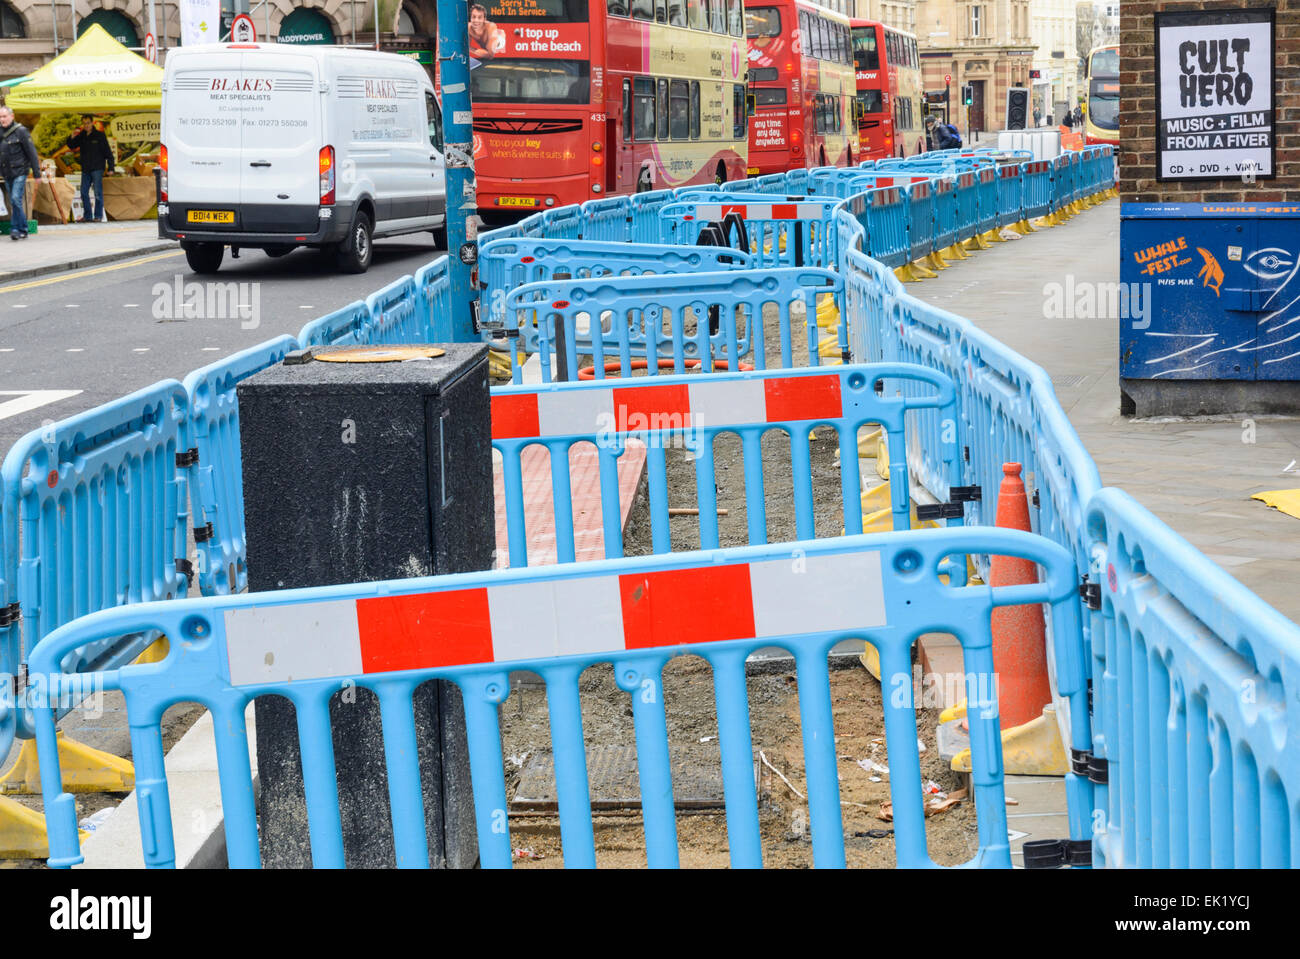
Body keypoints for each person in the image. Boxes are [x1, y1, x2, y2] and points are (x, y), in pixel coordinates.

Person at [0, 105, 41, 241]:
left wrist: (37, 173)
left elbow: (31, 152)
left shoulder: (21, 131)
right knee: (14, 202)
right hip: (6, 172)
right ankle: (23, 228)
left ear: (12, 116)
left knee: (15, 199)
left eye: (4, 116)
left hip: (20, 171)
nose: (2, 119)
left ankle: (15, 229)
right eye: (0, 117)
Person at [65, 114, 114, 223]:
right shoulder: (82, 135)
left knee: (97, 193)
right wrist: (71, 136)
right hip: (86, 169)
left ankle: (98, 216)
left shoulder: (100, 135)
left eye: (88, 123)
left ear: (92, 123)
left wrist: (111, 167)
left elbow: (108, 152)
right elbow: (72, 145)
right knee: (83, 192)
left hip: (97, 168)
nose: (86, 125)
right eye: (84, 123)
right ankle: (87, 216)